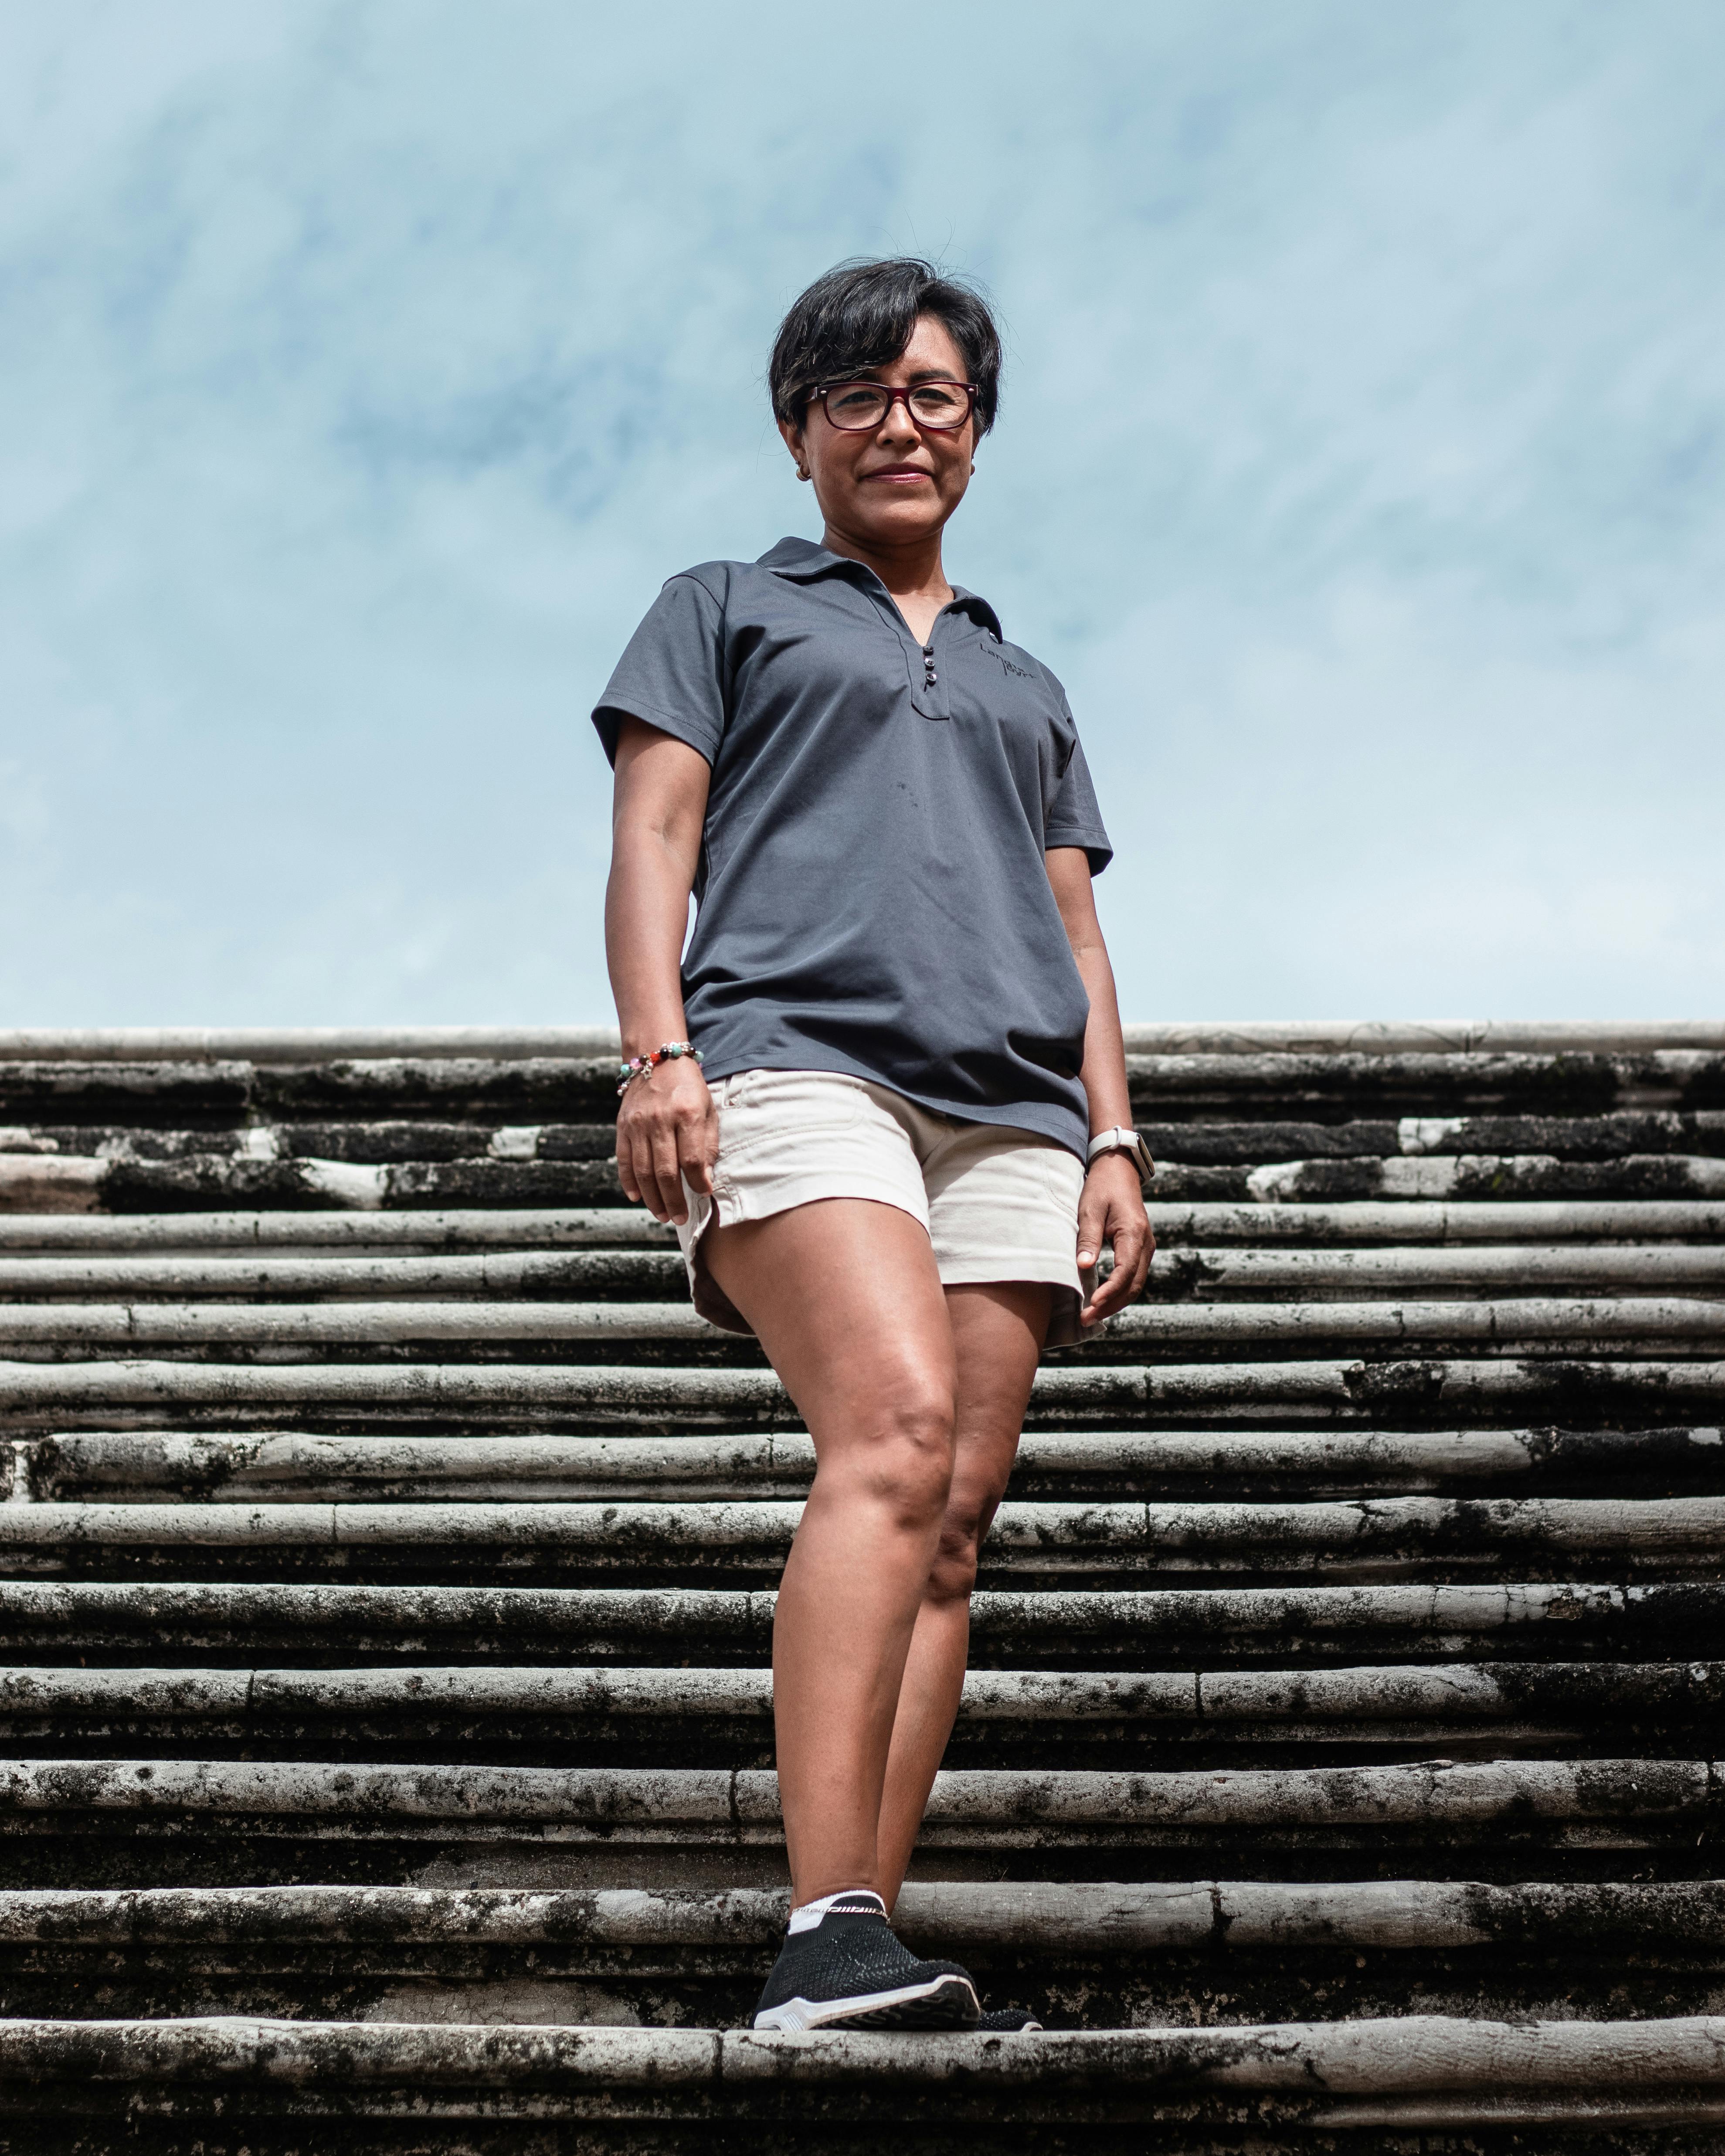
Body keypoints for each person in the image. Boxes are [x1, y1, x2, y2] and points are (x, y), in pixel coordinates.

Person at [593, 257, 1153, 2034]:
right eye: (860, 396)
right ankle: (827, 1920)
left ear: (976, 436)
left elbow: (1076, 936)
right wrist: (657, 1050)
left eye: (935, 397)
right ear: (799, 431)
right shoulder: (725, 604)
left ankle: (862, 1940)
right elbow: (656, 831)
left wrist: (1114, 1138)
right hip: (793, 1054)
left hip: (1012, 1105)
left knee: (959, 1520)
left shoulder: (1024, 676)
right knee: (894, 1429)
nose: (900, 424)